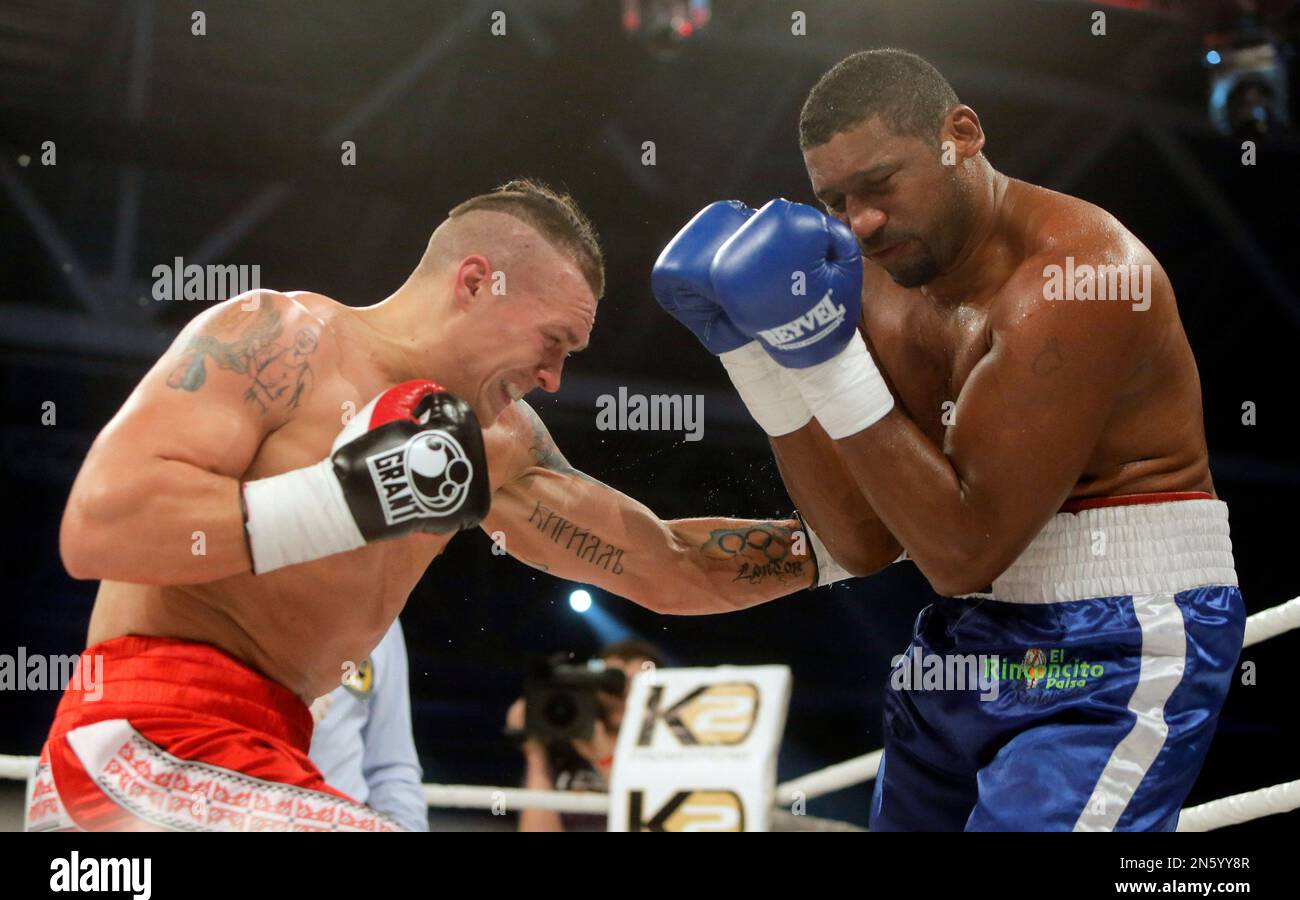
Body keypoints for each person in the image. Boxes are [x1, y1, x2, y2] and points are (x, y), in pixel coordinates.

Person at [29, 179, 818, 832]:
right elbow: (100, 525)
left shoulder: (497, 441)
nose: (552, 378)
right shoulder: (278, 338)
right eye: (553, 341)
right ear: (476, 283)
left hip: (270, 753)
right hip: (136, 742)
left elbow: (667, 567)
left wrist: (847, 548)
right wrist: (348, 500)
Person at [652, 50, 1244, 832]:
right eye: (834, 201)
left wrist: (825, 367)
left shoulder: (1080, 278)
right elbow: (863, 544)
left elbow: (965, 549)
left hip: (1115, 634)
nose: (858, 222)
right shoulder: (873, 281)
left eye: (879, 184)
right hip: (964, 631)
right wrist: (755, 356)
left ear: (959, 134)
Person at [504, 639, 663, 832]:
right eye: (613, 684)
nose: (625, 694)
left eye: (637, 684)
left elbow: (658, 820)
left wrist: (604, 759)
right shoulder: (564, 749)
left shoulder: (667, 753)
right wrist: (535, 753)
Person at [308, 619, 428, 832]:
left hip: (347, 820)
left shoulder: (384, 614)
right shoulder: (243, 601)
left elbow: (391, 766)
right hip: (250, 815)